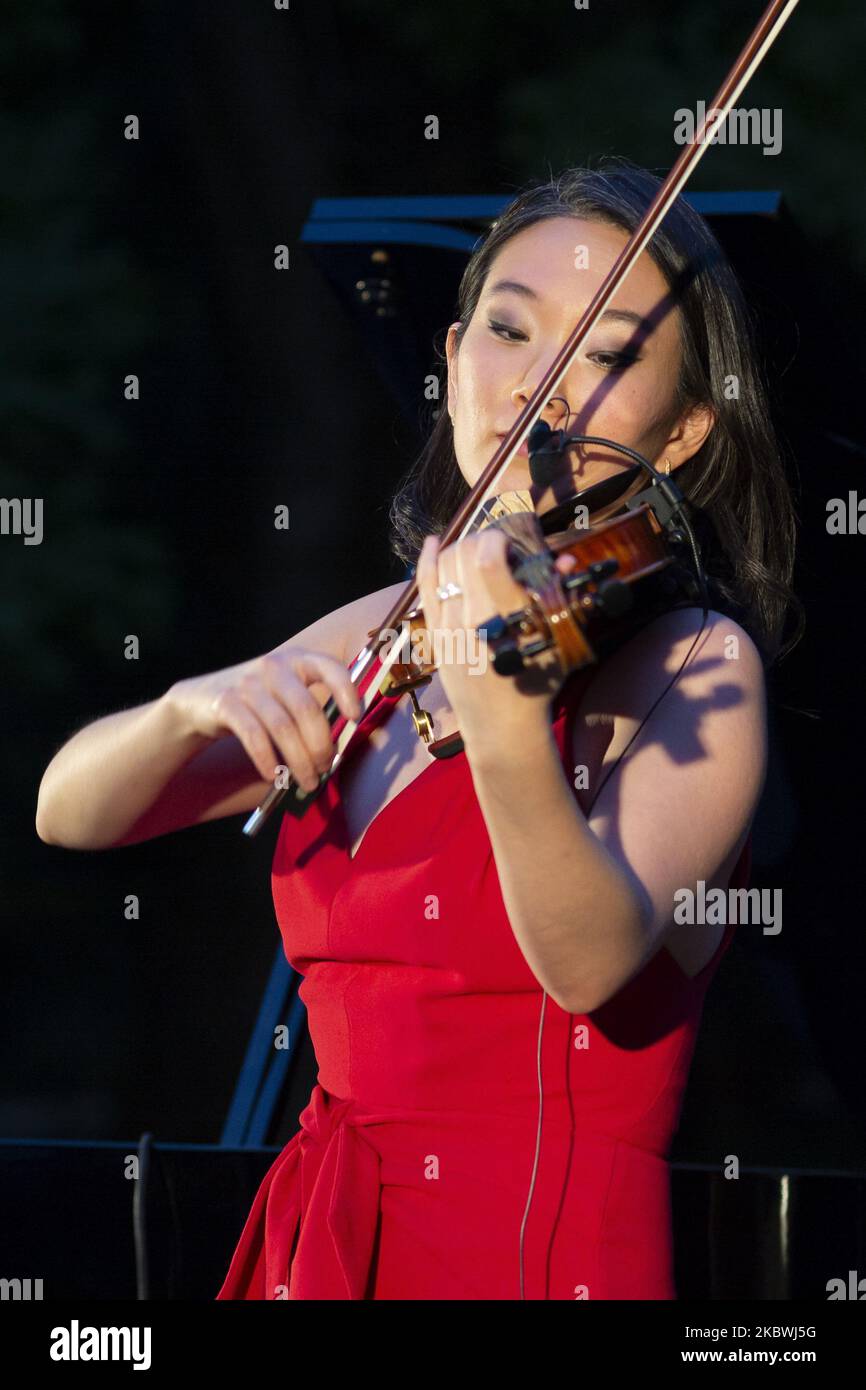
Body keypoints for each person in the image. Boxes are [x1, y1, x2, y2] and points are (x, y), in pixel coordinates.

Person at [36, 160, 803, 1300]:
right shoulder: (377, 630)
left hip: (536, 1249)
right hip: (322, 1233)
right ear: (449, 362)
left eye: (603, 356)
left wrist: (502, 723)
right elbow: (70, 811)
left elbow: (587, 960)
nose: (542, 386)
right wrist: (185, 705)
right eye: (507, 331)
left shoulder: (695, 664)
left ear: (684, 432)